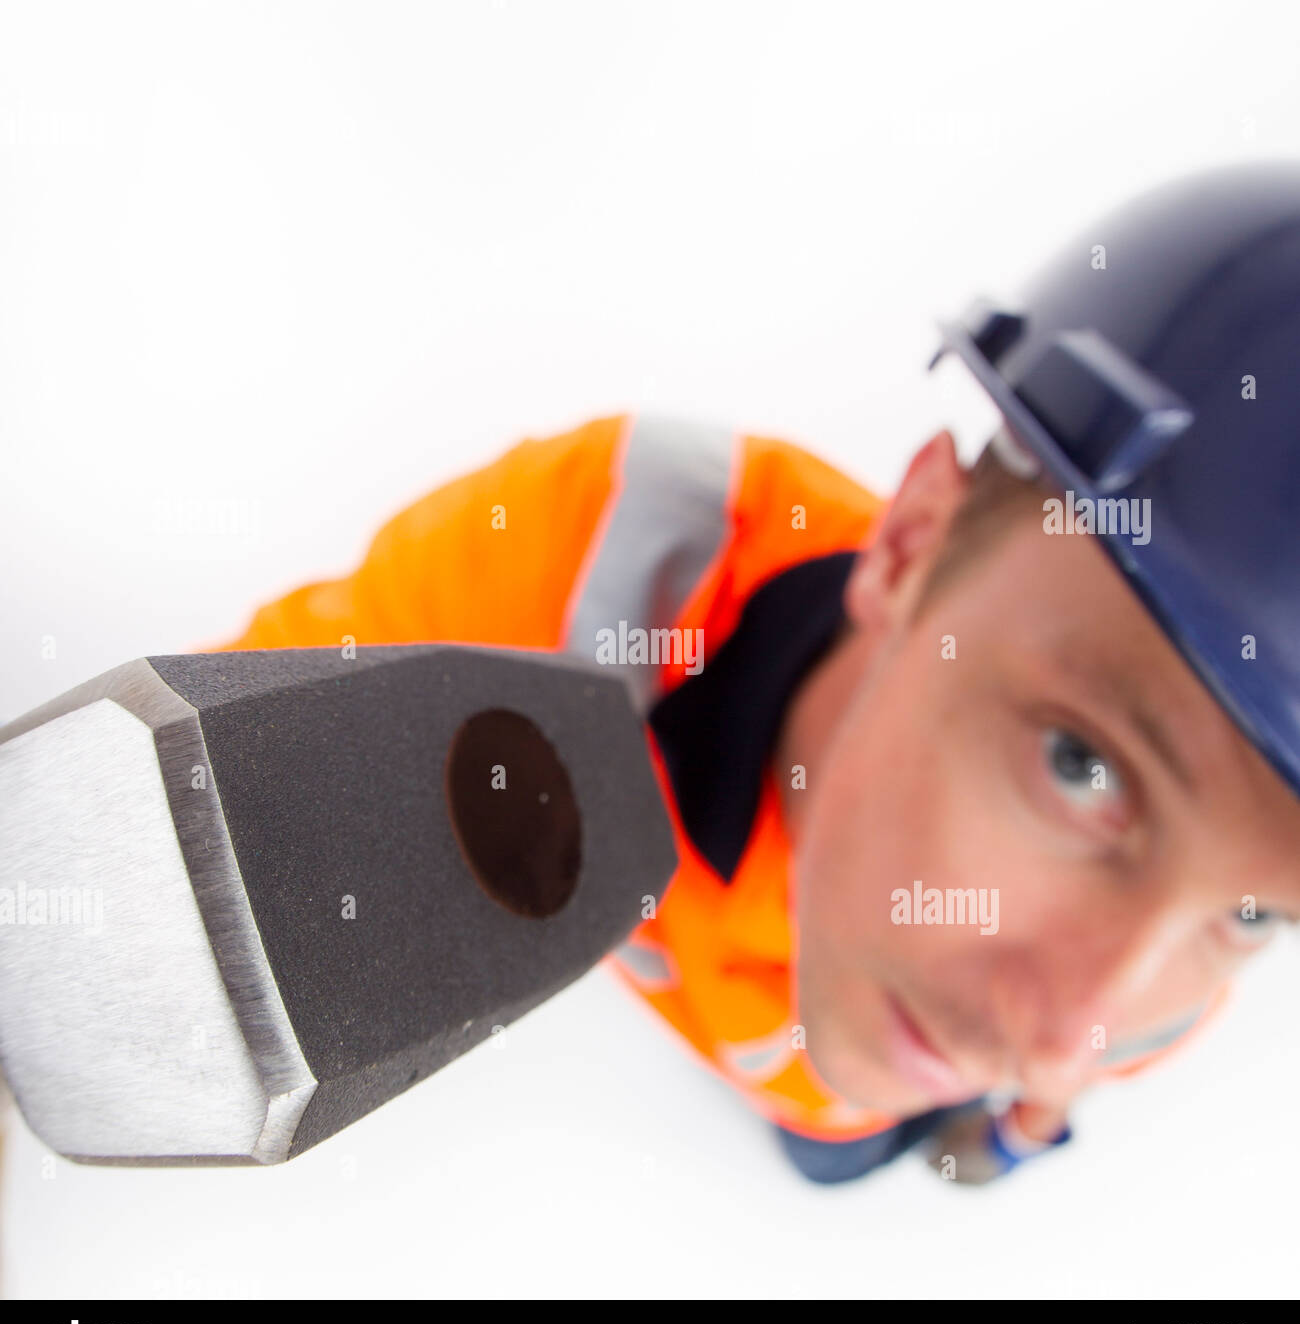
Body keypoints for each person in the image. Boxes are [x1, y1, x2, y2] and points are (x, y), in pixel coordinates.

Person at [214, 164, 1300, 1185]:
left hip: (853, 1097)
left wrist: (1007, 1135)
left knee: (835, 1149)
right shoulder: (603, 565)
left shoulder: (1133, 997)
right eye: (1082, 766)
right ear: (911, 543)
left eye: (1254, 916)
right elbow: (215, 797)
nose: (1061, 1045)